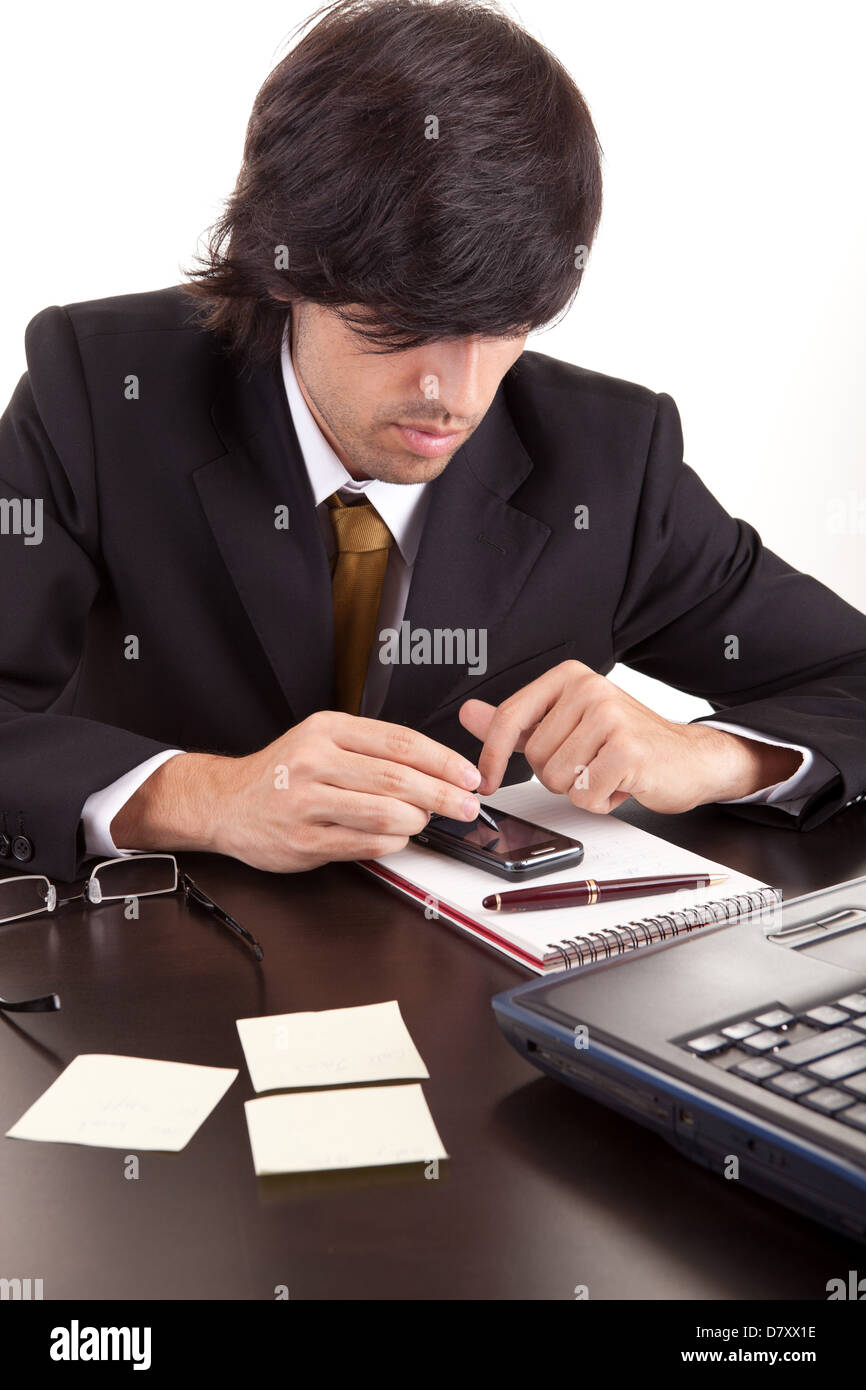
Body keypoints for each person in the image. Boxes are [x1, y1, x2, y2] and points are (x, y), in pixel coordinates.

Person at [2, 0, 864, 883]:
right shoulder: (99, 393)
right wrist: (205, 797)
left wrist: (715, 754)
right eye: (405, 324)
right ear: (285, 267)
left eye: (505, 327)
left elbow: (853, 675)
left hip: (471, 986)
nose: (454, 396)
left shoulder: (610, 458)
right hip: (150, 972)